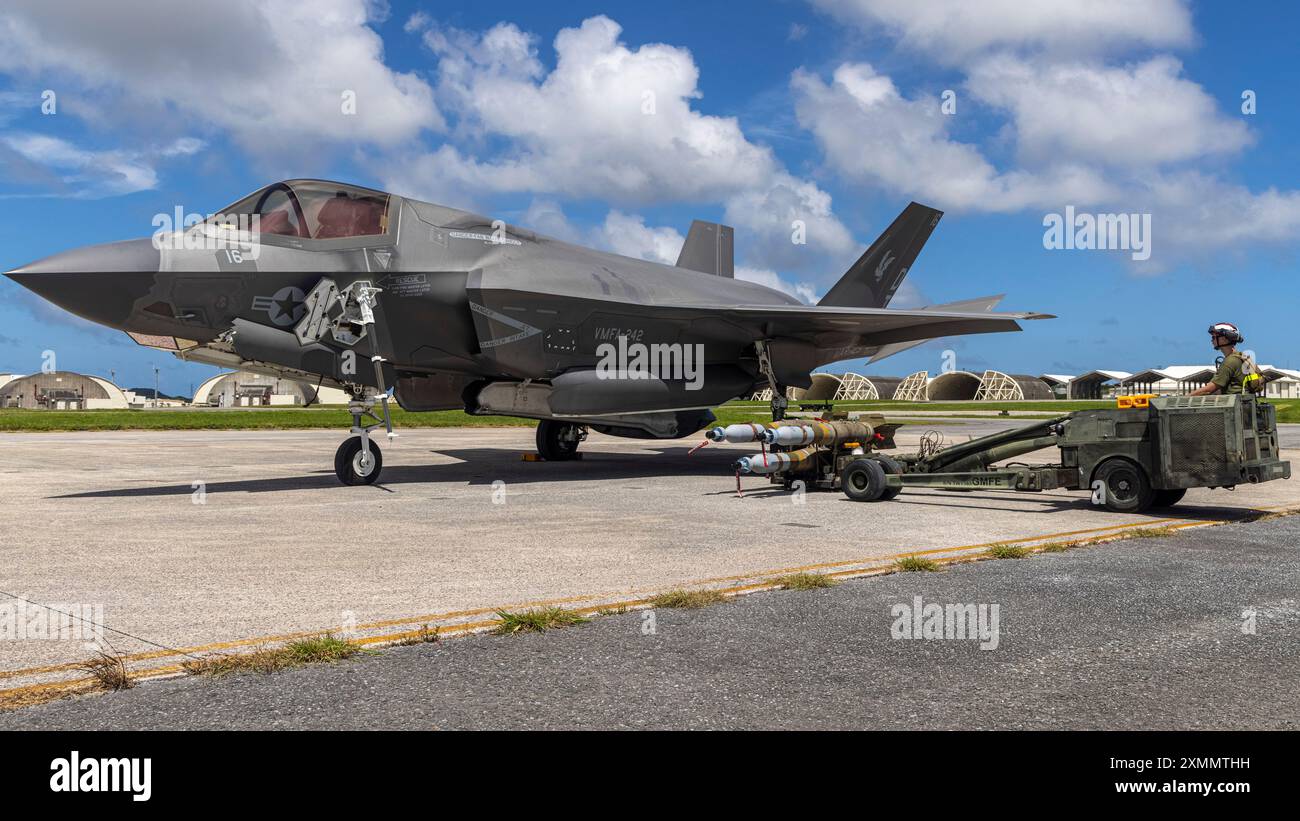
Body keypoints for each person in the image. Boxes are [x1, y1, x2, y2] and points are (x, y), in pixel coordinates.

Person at [1190, 322, 1261, 396]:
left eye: (1214, 337)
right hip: (1246, 402)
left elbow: (1209, 390)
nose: (1212, 340)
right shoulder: (1242, 357)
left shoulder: (1230, 361)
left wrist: (1185, 397)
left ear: (1225, 339)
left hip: (1234, 404)